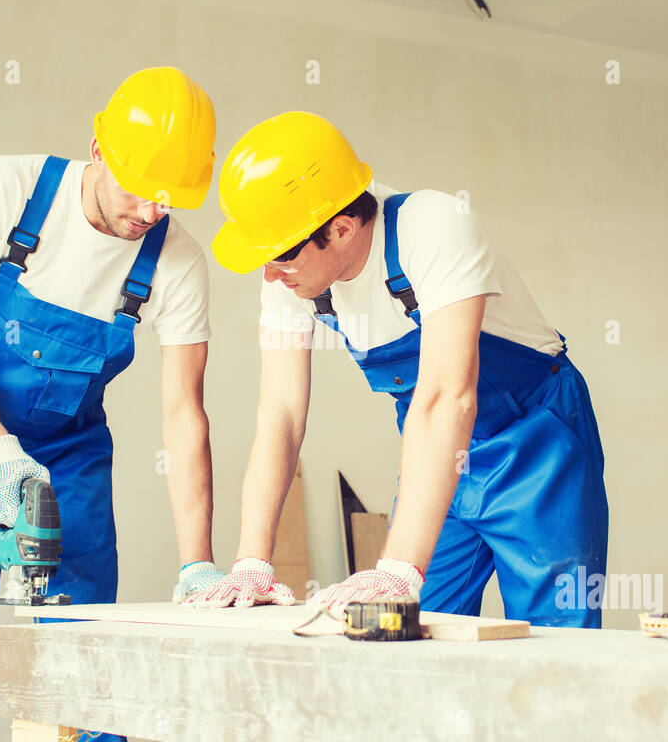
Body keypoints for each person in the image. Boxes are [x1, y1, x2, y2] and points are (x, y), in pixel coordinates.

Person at [0, 67, 226, 742]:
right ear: (97, 149)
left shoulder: (176, 263)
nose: (149, 212)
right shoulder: (10, 190)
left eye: (167, 198)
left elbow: (184, 414)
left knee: (86, 678)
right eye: (137, 187)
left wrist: (197, 564)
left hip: (70, 463)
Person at [186, 111, 607, 627]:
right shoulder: (290, 279)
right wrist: (252, 562)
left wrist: (399, 567)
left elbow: (449, 396)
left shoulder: (434, 227)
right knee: (411, 630)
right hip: (436, 454)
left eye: (278, 257)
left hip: (536, 448)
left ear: (341, 229)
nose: (269, 275)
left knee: (552, 642)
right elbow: (281, 414)